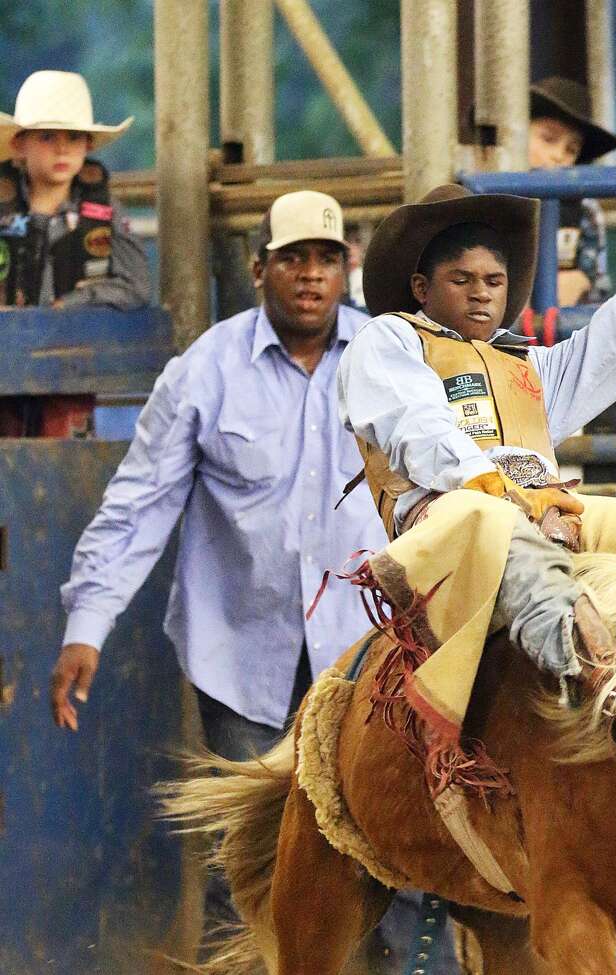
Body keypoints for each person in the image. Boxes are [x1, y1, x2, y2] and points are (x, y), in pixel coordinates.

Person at [49, 190, 454, 973]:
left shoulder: (393, 359)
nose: (311, 276)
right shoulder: (206, 370)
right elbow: (141, 501)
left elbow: (445, 486)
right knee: (257, 851)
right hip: (243, 653)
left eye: (327, 260)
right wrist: (86, 623)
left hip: (370, 648)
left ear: (349, 270)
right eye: (295, 258)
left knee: (392, 841)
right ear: (258, 266)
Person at [338, 125, 616, 746]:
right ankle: (607, 687)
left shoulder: (531, 368)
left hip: (548, 513)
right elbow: (418, 429)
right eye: (461, 280)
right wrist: (497, 487)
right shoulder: (387, 340)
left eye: (493, 281)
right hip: (449, 527)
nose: (482, 293)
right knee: (494, 526)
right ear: (421, 289)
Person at [0, 70, 149, 310]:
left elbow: (136, 287)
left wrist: (73, 302)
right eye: (47, 137)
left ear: (87, 145)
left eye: (73, 137)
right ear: (19, 145)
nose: (62, 149)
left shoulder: (106, 210)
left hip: (80, 343)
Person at [527, 76, 616, 307]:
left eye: (571, 149)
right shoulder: (482, 195)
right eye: (548, 139)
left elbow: (592, 288)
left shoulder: (584, 208)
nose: (559, 155)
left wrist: (580, 281)